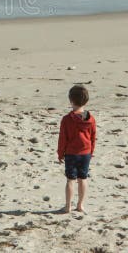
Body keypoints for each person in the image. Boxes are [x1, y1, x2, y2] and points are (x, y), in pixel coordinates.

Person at [57, 85, 96, 213]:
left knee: (70, 180)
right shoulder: (90, 119)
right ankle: (80, 205)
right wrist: (91, 151)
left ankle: (68, 206)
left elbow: (63, 138)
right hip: (86, 153)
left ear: (71, 100)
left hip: (71, 153)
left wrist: (60, 153)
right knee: (83, 179)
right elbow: (93, 137)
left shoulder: (67, 119)